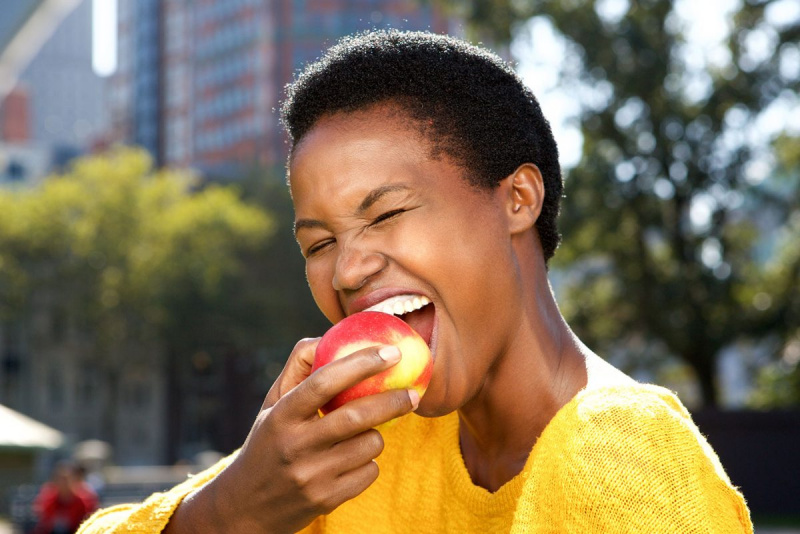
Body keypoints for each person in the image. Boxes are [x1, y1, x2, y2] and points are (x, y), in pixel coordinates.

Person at [78, 30, 752, 533]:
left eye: (389, 212)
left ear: (518, 199)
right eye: (319, 243)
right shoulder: (360, 447)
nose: (346, 270)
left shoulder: (620, 455)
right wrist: (228, 511)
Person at [34, 461, 98, 534]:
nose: (63, 483)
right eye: (60, 479)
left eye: (66, 479)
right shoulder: (49, 499)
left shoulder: (83, 500)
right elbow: (45, 523)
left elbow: (85, 524)